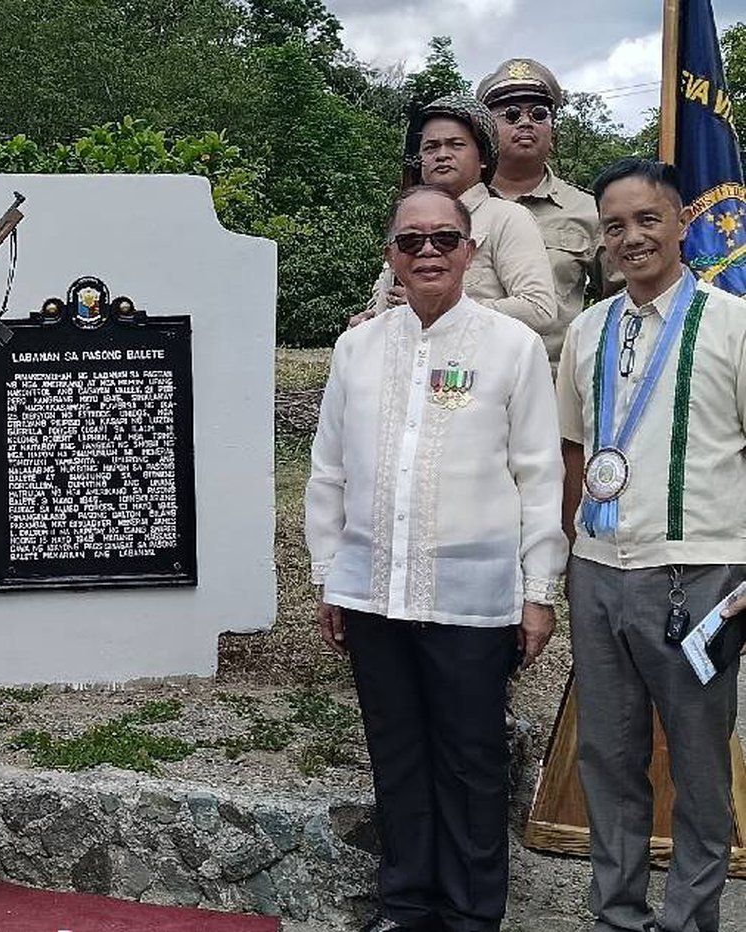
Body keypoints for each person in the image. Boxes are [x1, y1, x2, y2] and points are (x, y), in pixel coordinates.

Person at [308, 185, 565, 932]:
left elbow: (539, 474)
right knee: (396, 755)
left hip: (472, 597)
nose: (428, 253)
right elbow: (328, 469)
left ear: (469, 252)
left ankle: (470, 914)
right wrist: (330, 574)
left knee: (471, 762)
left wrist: (539, 590)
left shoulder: (509, 346)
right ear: (390, 252)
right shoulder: (357, 347)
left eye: (444, 239)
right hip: (372, 592)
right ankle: (406, 904)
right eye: (411, 240)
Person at [557, 158, 746, 932]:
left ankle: (690, 920)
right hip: (600, 571)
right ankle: (617, 916)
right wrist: (565, 553)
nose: (631, 237)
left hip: (699, 575)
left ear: (680, 224)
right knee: (609, 757)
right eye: (614, 225)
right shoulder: (588, 327)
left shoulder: (733, 323)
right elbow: (574, 449)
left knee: (700, 768)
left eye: (647, 220)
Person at [357, 95, 556, 339]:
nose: (442, 155)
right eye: (431, 147)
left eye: (455, 144)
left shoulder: (505, 217)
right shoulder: (406, 218)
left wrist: (443, 309)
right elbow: (384, 301)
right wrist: (367, 323)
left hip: (474, 368)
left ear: (482, 158)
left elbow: (540, 310)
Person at [477, 59, 620, 368]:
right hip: (462, 381)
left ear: (552, 131)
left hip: (553, 384)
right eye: (512, 114)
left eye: (539, 114)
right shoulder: (455, 207)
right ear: (486, 129)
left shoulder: (588, 210)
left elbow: (624, 298)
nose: (526, 122)